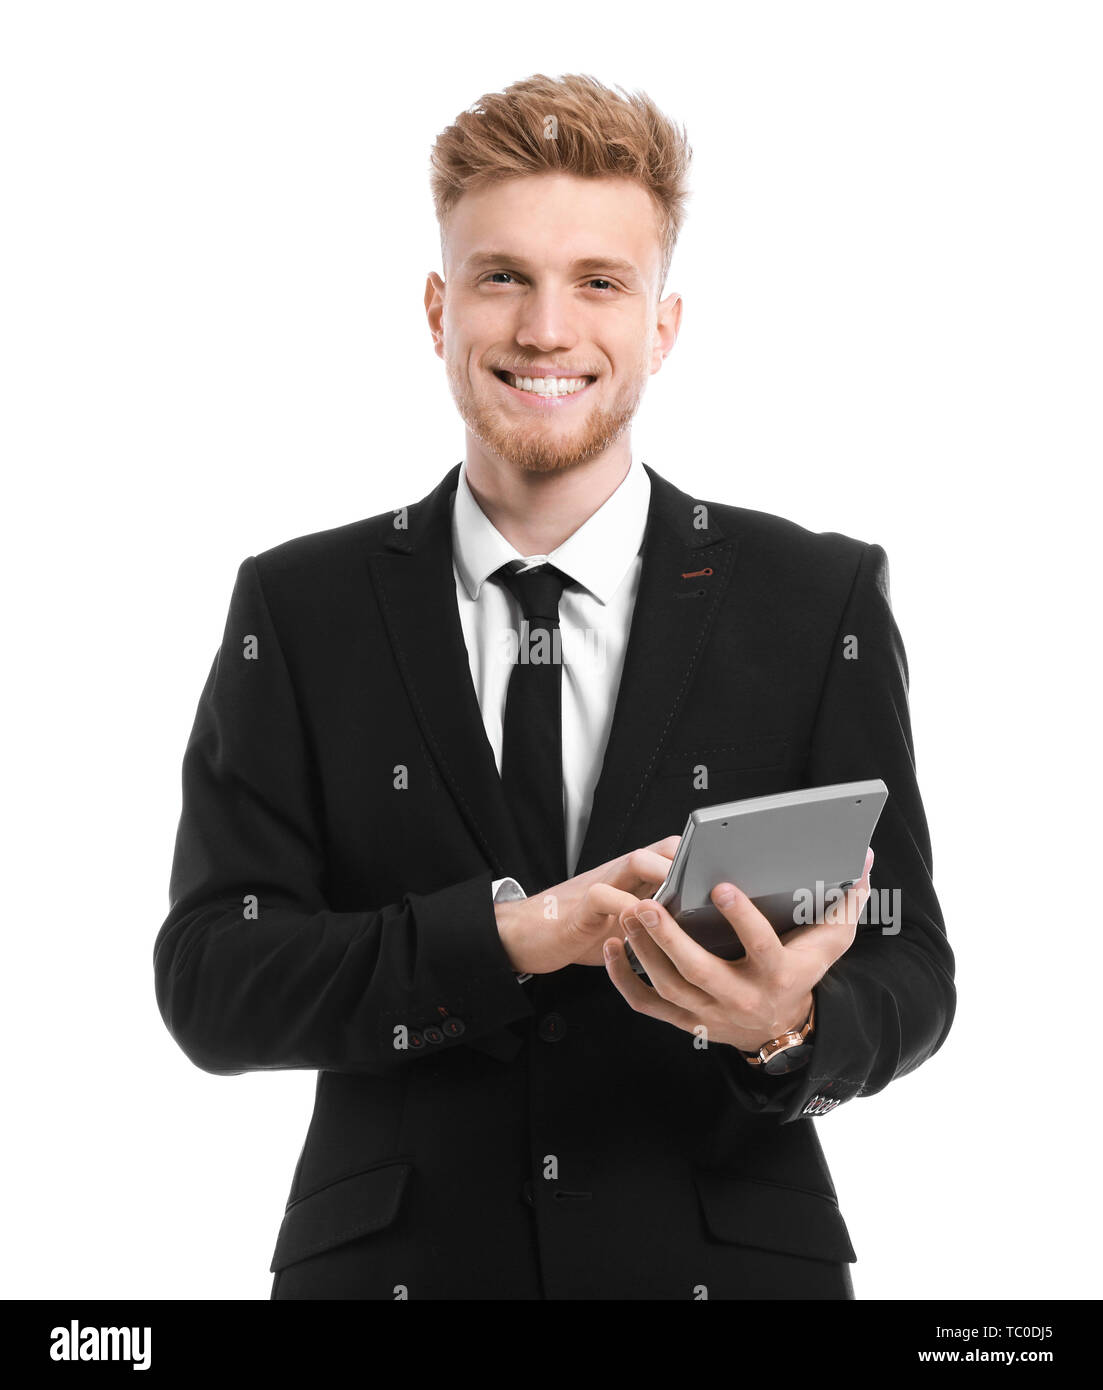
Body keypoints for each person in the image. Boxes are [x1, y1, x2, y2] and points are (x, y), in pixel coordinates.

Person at [154, 72, 955, 1300]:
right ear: (436, 308)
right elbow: (213, 978)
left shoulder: (816, 598)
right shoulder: (296, 607)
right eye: (501, 277)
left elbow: (908, 968)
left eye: (597, 281)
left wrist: (782, 1027)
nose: (544, 330)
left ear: (661, 323)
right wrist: (511, 938)